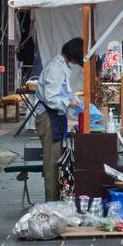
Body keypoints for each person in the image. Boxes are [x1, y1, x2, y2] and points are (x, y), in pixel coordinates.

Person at [35, 38, 83, 202]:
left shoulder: (60, 65)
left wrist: (72, 99)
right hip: (48, 119)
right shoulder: (55, 68)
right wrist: (69, 101)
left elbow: (63, 92)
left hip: (53, 117)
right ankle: (51, 204)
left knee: (55, 162)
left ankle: (54, 200)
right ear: (75, 56)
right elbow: (51, 97)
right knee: (52, 164)